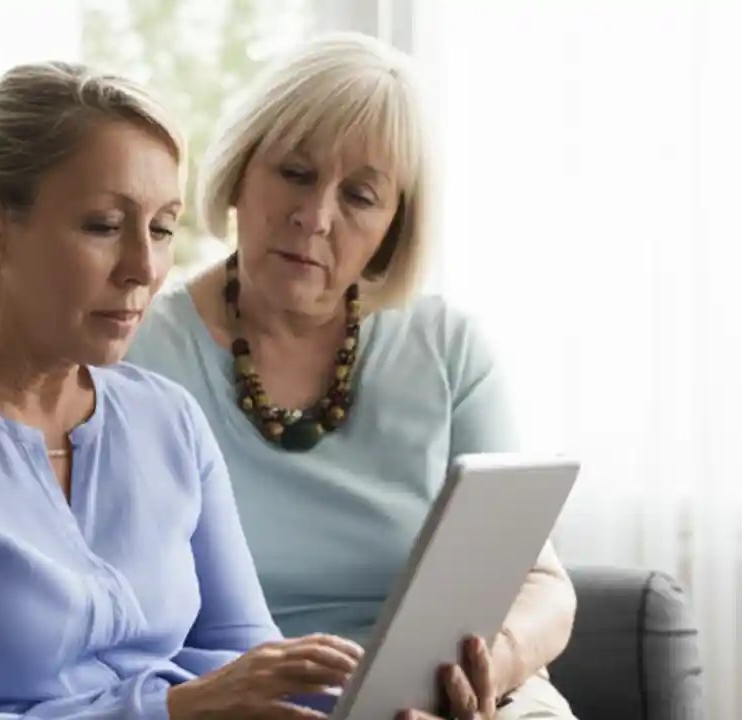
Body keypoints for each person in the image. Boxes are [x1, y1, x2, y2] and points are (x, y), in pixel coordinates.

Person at [0, 61, 364, 720]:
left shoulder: (168, 420)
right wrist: (175, 710)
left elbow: (252, 663)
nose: (143, 269)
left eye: (163, 229)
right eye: (105, 226)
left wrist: (395, 692)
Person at [124, 32, 579, 720]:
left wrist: (480, 676)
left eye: (360, 196)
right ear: (242, 171)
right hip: (244, 698)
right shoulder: (138, 351)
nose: (316, 216)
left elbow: (542, 582)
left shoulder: (447, 348)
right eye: (296, 173)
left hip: (449, 697)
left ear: (395, 227)